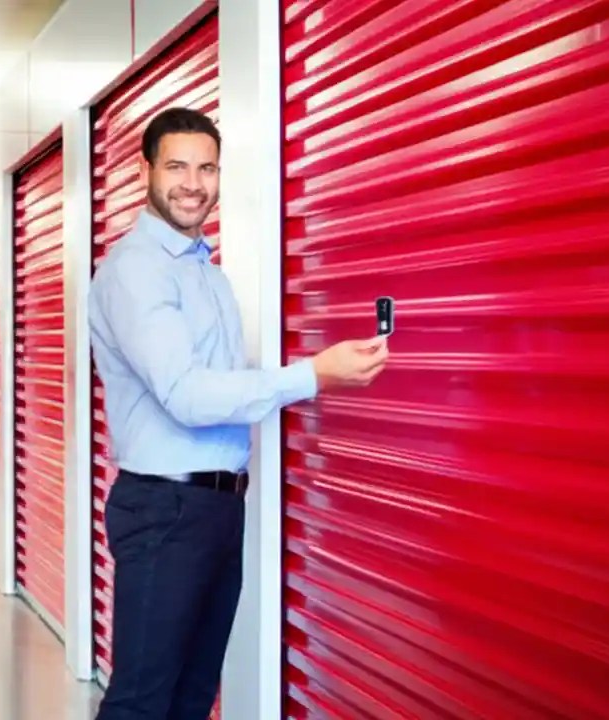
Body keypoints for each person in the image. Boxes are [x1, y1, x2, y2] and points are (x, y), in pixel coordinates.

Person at [88, 107, 388, 720]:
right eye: (176, 166)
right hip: (164, 510)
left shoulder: (208, 275)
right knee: (143, 703)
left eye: (207, 168)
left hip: (216, 509)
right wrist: (313, 375)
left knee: (193, 697)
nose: (193, 183)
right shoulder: (136, 271)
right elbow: (189, 396)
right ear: (145, 169)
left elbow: (224, 385)